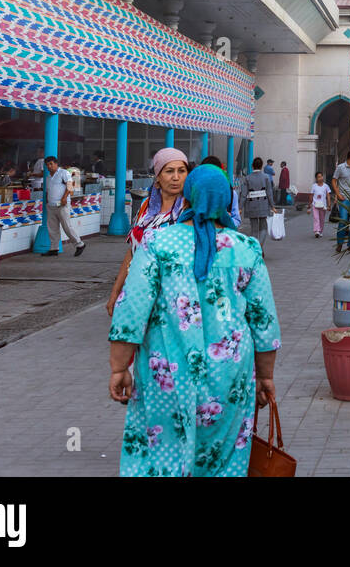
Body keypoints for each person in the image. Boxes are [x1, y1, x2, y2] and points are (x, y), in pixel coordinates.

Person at [108, 164, 281, 476]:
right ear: (227, 202)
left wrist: (119, 367)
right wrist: (266, 376)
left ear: (186, 198)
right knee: (224, 460)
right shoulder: (246, 248)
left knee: (161, 454)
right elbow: (263, 320)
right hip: (231, 377)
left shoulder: (157, 243)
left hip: (167, 375)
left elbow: (131, 309)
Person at [106, 148, 190, 315]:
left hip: (174, 298)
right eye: (169, 171)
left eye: (181, 171)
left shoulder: (190, 210)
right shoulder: (146, 208)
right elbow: (133, 251)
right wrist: (115, 292)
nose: (176, 177)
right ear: (157, 178)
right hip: (138, 291)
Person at [40, 155, 85, 257]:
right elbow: (48, 191)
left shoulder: (63, 173)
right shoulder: (48, 177)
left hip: (62, 204)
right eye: (47, 165)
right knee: (52, 228)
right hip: (51, 205)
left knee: (66, 226)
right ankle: (54, 248)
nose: (49, 166)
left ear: (56, 164)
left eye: (51, 164)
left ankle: (80, 244)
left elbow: (70, 185)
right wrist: (47, 201)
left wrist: (64, 198)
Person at [240, 157, 279, 247]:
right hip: (263, 205)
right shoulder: (266, 177)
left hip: (251, 205)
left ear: (252, 166)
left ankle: (255, 247)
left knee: (254, 229)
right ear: (261, 166)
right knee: (263, 227)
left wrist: (240, 208)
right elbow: (269, 193)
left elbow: (243, 194)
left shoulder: (247, 178)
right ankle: (260, 245)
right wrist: (272, 206)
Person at [309, 172, 332, 238]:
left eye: (321, 176)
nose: (320, 178)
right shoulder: (314, 186)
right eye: (318, 177)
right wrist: (309, 205)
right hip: (315, 205)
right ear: (316, 178)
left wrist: (329, 204)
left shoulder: (326, 186)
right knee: (316, 218)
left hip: (323, 205)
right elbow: (311, 195)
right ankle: (317, 231)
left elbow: (328, 195)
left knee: (322, 219)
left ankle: (320, 231)